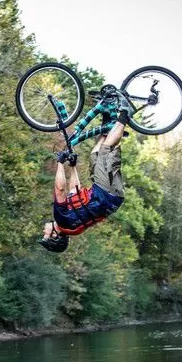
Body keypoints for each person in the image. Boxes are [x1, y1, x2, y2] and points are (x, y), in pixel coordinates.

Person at [38, 92, 131, 253]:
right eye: (45, 235)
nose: (44, 231)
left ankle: (108, 119)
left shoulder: (72, 226)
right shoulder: (60, 219)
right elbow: (60, 189)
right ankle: (125, 111)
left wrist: (73, 166)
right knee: (105, 150)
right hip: (106, 192)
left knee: (95, 153)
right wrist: (60, 163)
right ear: (54, 236)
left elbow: (75, 191)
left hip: (111, 197)